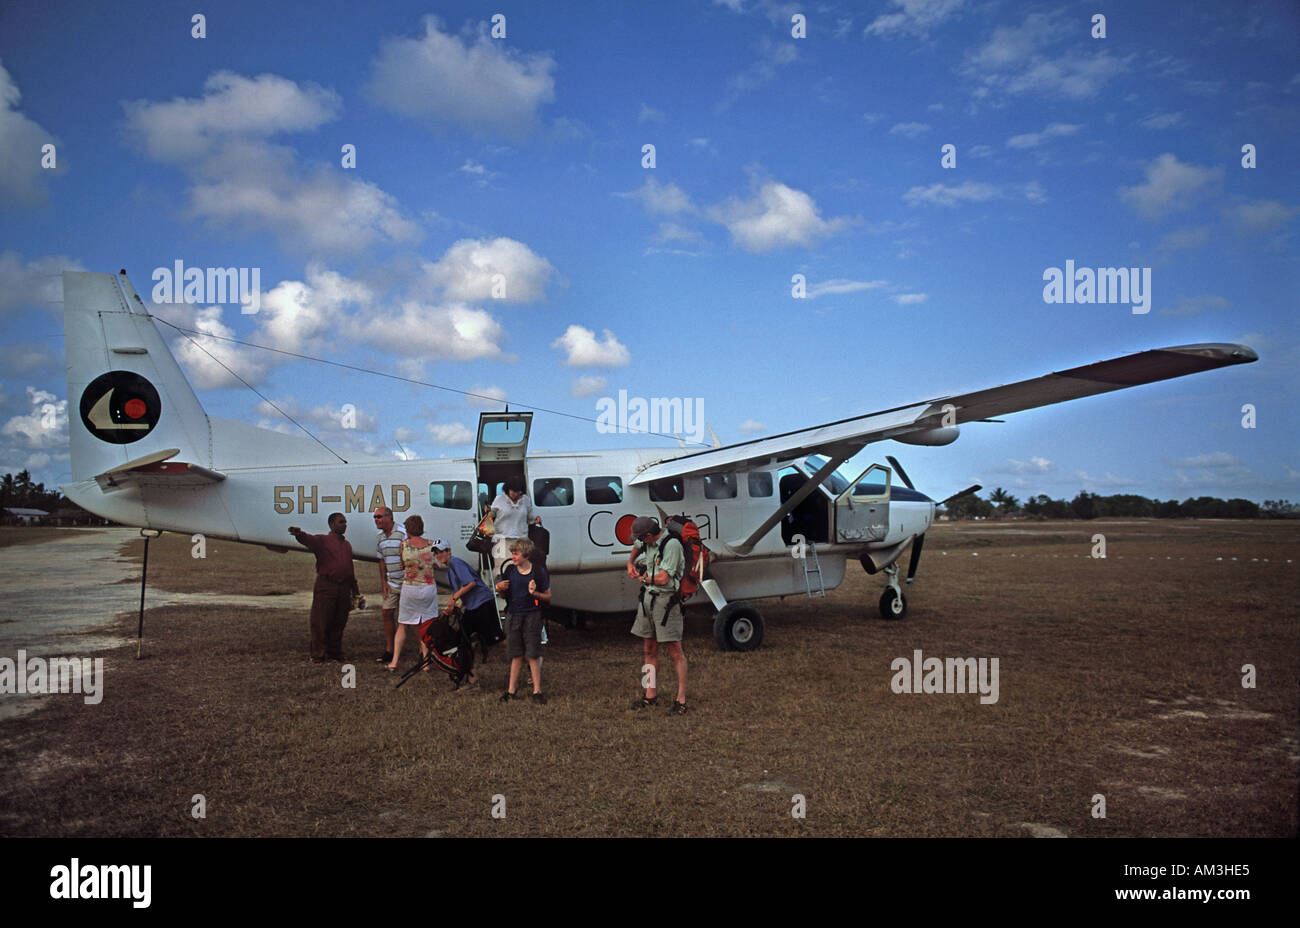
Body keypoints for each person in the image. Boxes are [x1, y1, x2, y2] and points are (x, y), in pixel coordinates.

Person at [626, 516, 688, 715]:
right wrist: (630, 563)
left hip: (665, 602)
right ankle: (649, 694)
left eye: (642, 539)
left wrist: (643, 577)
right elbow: (635, 546)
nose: (640, 542)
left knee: (675, 652)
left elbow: (663, 578)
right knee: (649, 650)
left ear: (650, 535)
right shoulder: (646, 541)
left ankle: (681, 701)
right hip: (647, 599)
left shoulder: (672, 546)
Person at [289, 513, 359, 664]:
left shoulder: (347, 545)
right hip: (326, 586)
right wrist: (298, 534)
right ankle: (318, 655)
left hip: (344, 587)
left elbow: (350, 569)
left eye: (345, 522)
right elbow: (309, 540)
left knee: (339, 621)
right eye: (341, 522)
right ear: (332, 524)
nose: (344, 525)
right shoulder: (322, 541)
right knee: (321, 621)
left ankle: (334, 653)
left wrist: (356, 591)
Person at [494, 539, 550, 704]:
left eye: (516, 553)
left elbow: (548, 596)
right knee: (516, 654)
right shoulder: (510, 571)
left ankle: (537, 691)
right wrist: (500, 589)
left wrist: (535, 594)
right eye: (512, 553)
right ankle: (511, 691)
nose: (513, 557)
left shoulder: (538, 572)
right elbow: (504, 595)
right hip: (514, 615)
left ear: (526, 555)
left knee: (532, 654)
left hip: (532, 616)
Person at [435, 540, 503, 665]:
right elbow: (463, 589)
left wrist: (454, 599)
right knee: (463, 634)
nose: (439, 555)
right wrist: (458, 604)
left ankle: (521, 653)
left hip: (483, 603)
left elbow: (470, 583)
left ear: (448, 551)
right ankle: (462, 658)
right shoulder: (450, 568)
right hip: (473, 605)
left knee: (496, 638)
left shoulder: (456, 563)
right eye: (436, 553)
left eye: (441, 552)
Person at [388, 515, 438, 671]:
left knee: (403, 625)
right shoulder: (431, 544)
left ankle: (394, 661)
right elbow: (437, 563)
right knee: (425, 626)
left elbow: (402, 565)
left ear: (408, 529)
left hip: (410, 587)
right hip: (428, 587)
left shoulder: (404, 545)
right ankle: (426, 662)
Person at [488, 475, 541, 580]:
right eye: (513, 491)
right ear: (507, 490)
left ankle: (519, 589)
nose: (516, 495)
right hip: (501, 539)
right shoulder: (499, 499)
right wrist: (488, 510)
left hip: (521, 539)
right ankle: (500, 590)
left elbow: (530, 517)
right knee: (501, 567)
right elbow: (491, 515)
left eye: (518, 492)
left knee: (520, 566)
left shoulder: (525, 500)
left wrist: (536, 518)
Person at [373, 506, 406, 665]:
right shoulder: (380, 537)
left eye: (379, 517)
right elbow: (381, 560)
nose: (376, 520)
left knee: (409, 617)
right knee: (387, 613)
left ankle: (422, 650)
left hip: (406, 582)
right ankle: (389, 649)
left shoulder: (402, 532)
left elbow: (410, 550)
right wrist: (383, 582)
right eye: (375, 518)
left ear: (389, 517)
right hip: (391, 582)